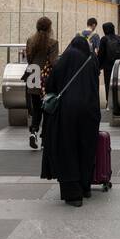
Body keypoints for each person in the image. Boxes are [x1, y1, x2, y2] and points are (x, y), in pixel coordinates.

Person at [40, 34, 101, 206]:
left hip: (66, 112)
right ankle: (85, 186)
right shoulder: (91, 60)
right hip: (89, 112)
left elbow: (51, 85)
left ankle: (73, 194)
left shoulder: (64, 59)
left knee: (67, 148)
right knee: (86, 148)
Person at [23, 17, 58, 151]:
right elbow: (54, 62)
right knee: (48, 108)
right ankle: (45, 138)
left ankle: (33, 132)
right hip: (46, 79)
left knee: (36, 108)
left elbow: (29, 59)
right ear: (49, 28)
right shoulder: (53, 43)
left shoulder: (30, 41)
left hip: (32, 76)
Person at [96, 21, 120, 108]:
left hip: (108, 67)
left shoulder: (104, 39)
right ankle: (118, 101)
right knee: (117, 84)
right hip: (119, 67)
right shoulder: (119, 38)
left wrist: (98, 67)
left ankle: (109, 102)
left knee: (108, 84)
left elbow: (101, 54)